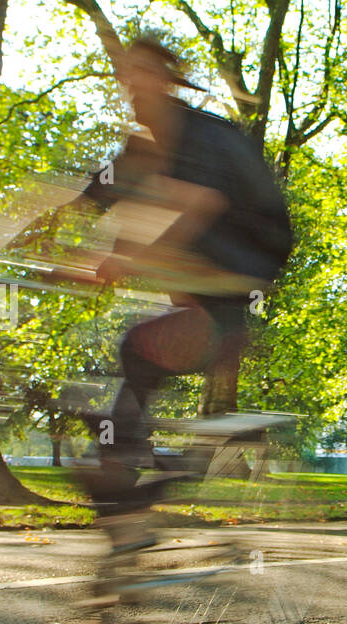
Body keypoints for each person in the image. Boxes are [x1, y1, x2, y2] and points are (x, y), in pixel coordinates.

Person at [65, 37, 293, 549]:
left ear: (167, 80)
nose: (131, 86)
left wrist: (122, 259)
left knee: (137, 348)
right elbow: (89, 199)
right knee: (129, 378)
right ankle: (131, 507)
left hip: (240, 269)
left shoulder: (199, 135)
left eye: (143, 74)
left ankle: (140, 474)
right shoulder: (140, 146)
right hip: (205, 283)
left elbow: (199, 203)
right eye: (125, 76)